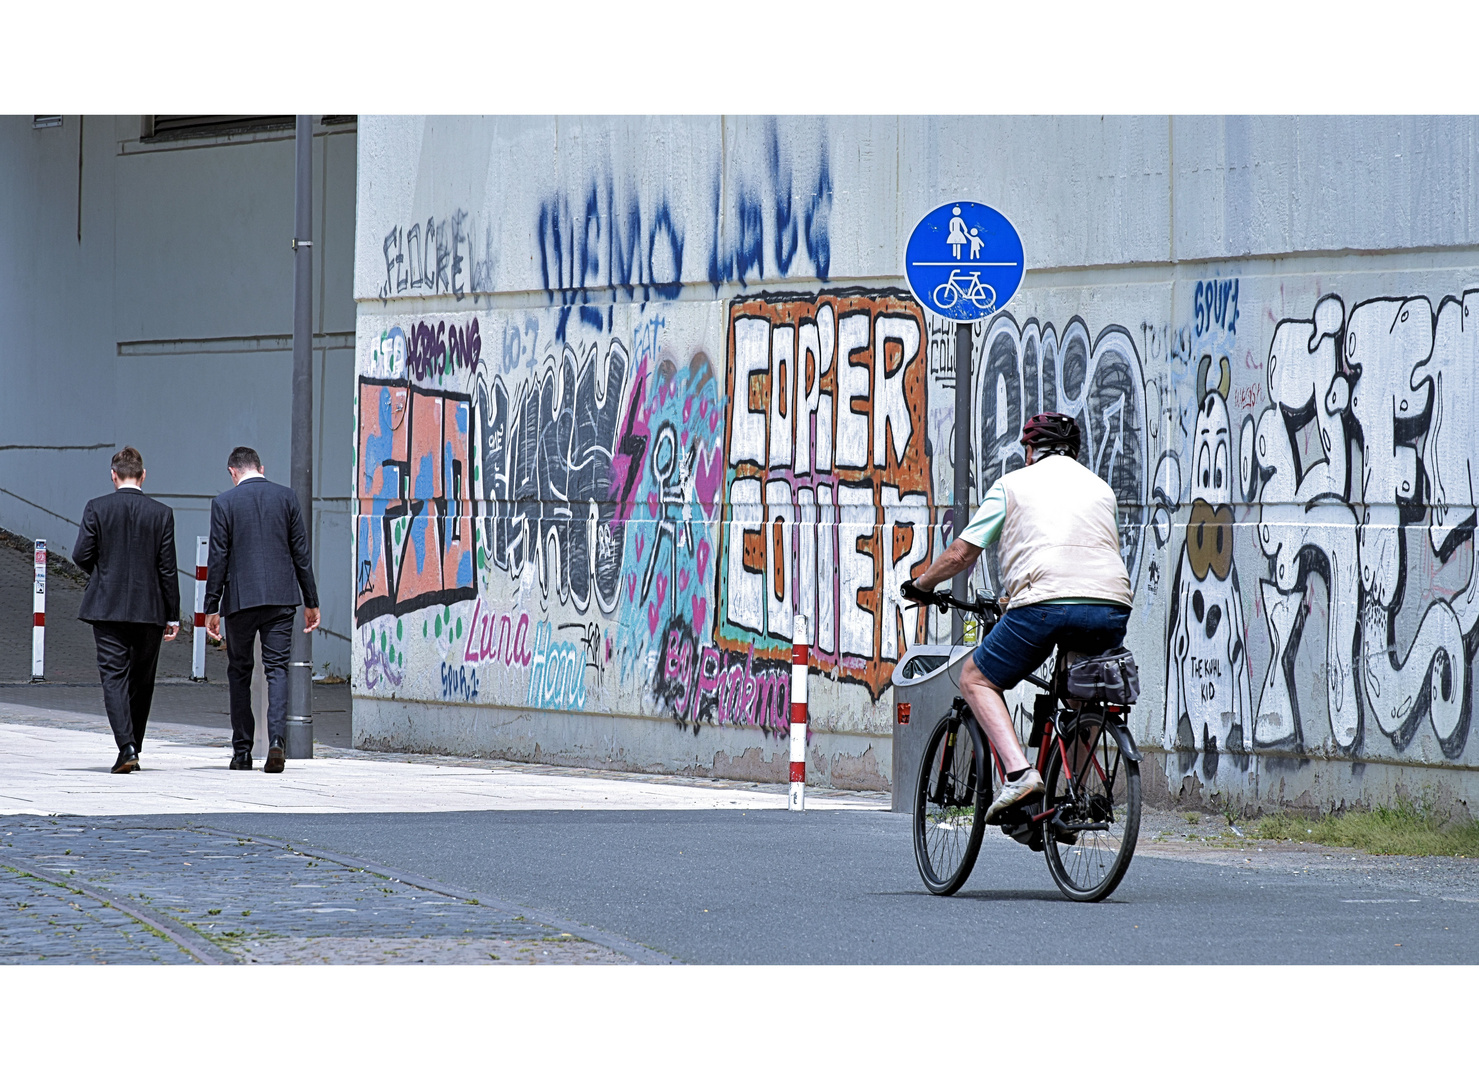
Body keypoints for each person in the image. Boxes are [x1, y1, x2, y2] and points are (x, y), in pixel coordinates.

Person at [903, 412, 1133, 823]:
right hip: (1111, 605)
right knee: (1081, 693)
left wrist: (922, 584)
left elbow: (961, 553)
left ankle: (1020, 773)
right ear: (1073, 452)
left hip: (1045, 604)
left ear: (1030, 451)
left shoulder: (1012, 485)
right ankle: (1072, 800)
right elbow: (1083, 556)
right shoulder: (1101, 490)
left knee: (976, 677)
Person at [203, 446, 320, 773]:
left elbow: (218, 559)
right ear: (261, 468)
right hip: (282, 598)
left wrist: (210, 607)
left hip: (240, 601)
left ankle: (242, 751)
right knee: (277, 669)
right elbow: (301, 555)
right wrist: (311, 600)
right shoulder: (287, 498)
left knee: (239, 671)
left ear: (232, 472)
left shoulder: (224, 503)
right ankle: (276, 742)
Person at [72, 447, 181, 774]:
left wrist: (103, 572)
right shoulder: (161, 513)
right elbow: (168, 569)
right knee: (142, 681)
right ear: (143, 475)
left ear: (113, 474)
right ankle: (134, 745)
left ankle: (127, 746)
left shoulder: (97, 508)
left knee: (114, 679)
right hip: (150, 610)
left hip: (107, 608)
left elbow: (80, 554)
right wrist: (172, 614)